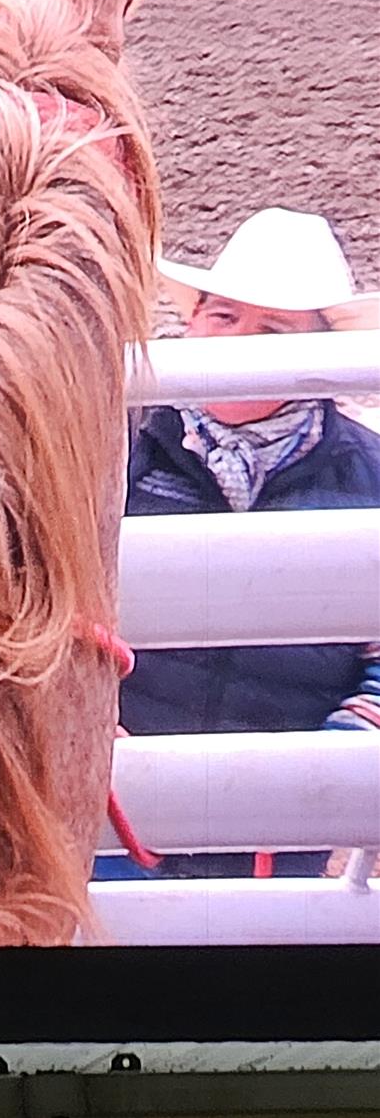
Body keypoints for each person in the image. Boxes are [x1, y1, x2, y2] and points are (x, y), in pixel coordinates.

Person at [105, 208, 380, 880]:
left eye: (273, 329)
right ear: (193, 323)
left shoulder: (370, 476)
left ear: (316, 350)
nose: (239, 342)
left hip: (279, 835)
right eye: (225, 317)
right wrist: (78, 724)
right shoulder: (111, 449)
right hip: (110, 803)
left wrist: (325, 772)